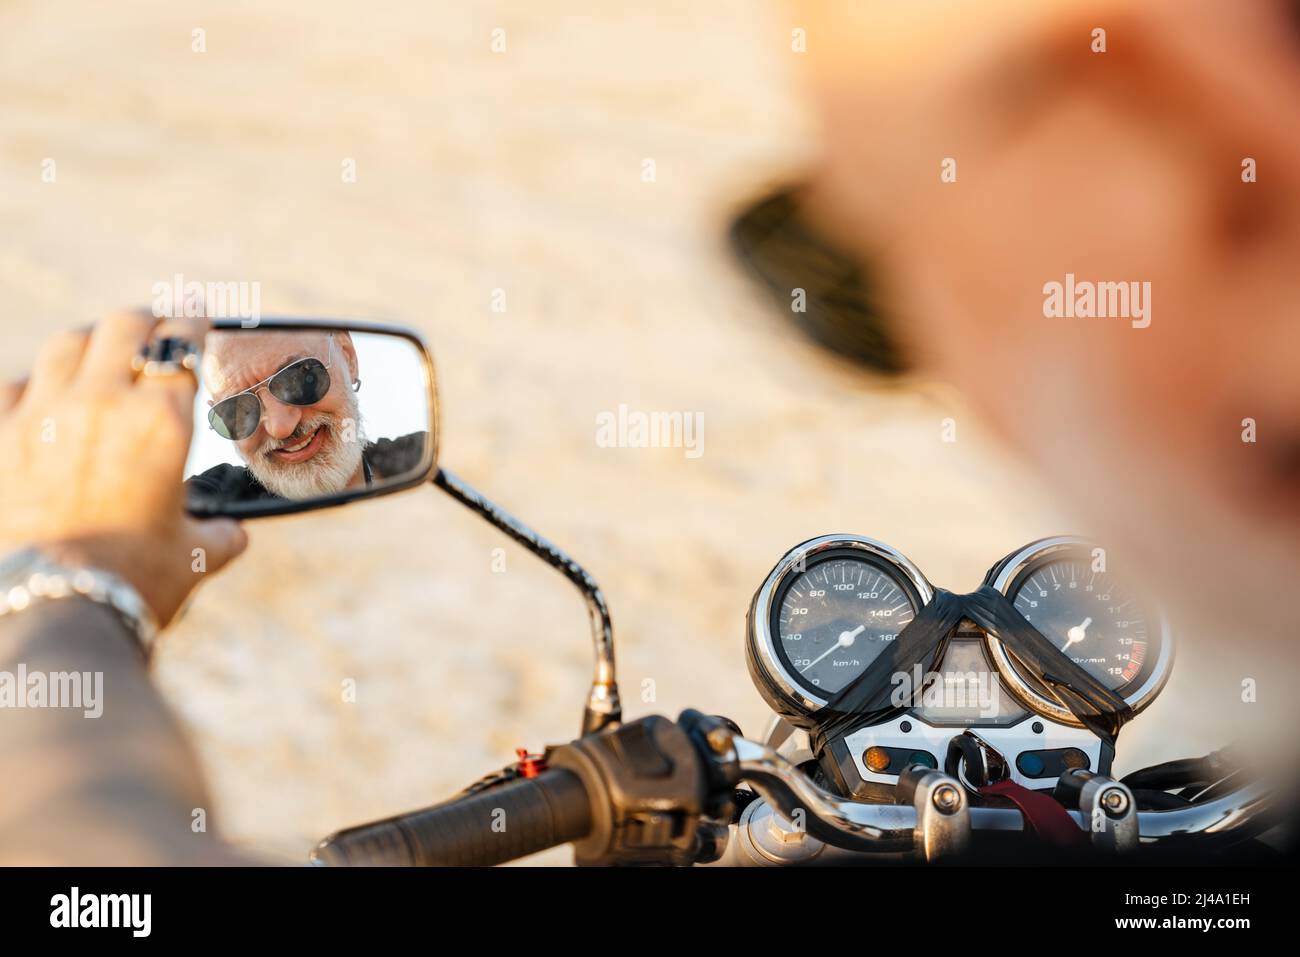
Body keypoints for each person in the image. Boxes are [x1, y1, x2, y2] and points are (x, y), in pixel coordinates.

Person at [188, 329, 425, 505]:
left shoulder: (424, 464)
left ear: (348, 358)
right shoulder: (216, 502)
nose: (280, 428)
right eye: (238, 409)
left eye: (300, 379)